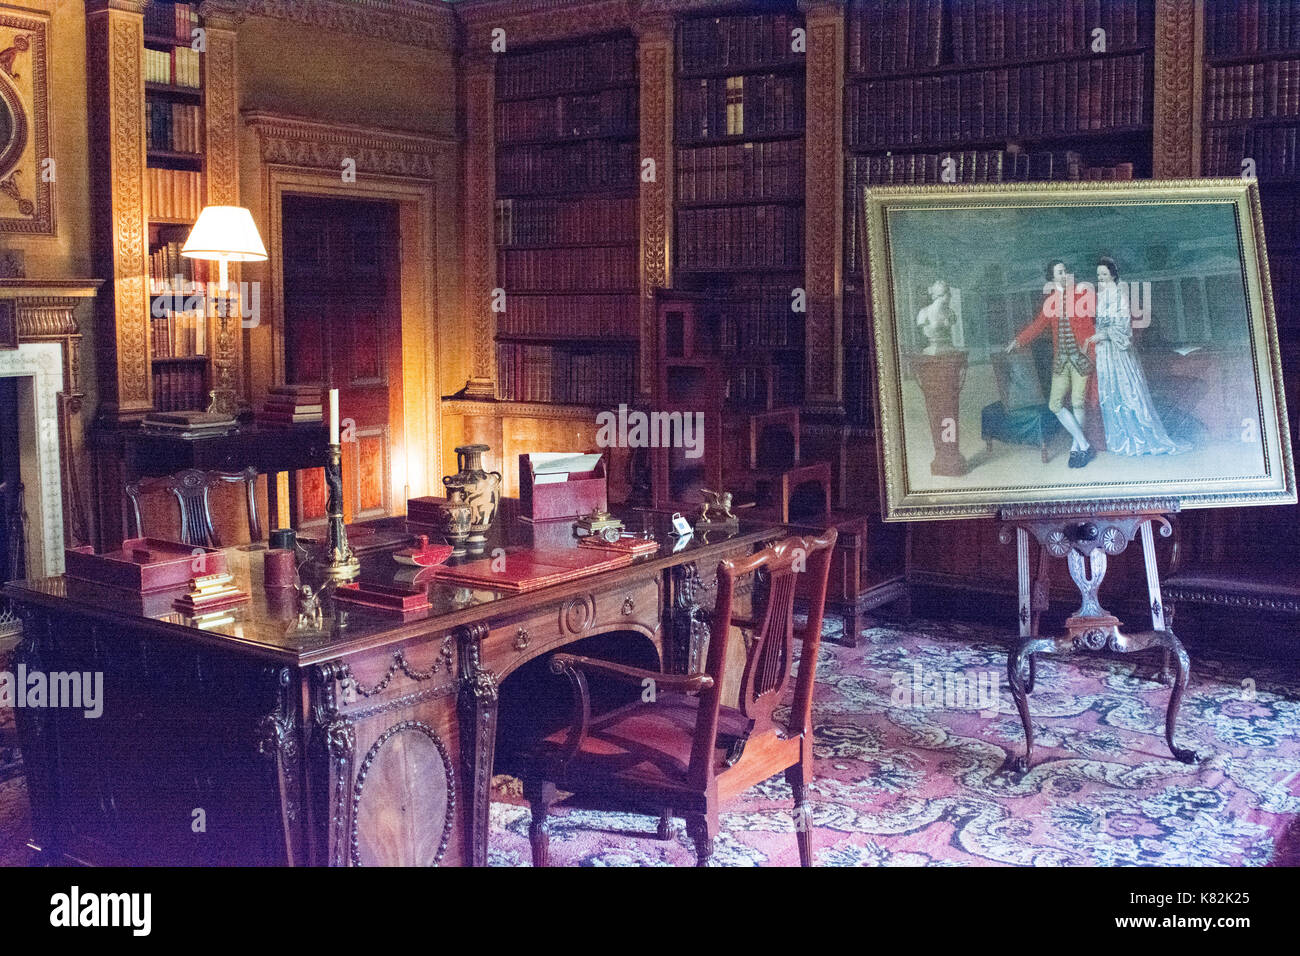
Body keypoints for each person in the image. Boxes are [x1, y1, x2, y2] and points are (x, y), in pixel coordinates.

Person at [1085, 257, 1181, 456]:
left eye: (1104, 274)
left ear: (1112, 274)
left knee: (1129, 393)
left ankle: (1139, 438)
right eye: (1098, 275)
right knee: (1110, 395)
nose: (1101, 278)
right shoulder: (1101, 294)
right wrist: (1096, 334)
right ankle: (1122, 439)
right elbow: (1101, 321)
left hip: (1119, 352)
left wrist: (1102, 334)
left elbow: (1123, 327)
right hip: (1105, 352)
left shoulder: (1120, 293)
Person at [1007, 259, 1097, 468]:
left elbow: (1092, 321)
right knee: (1055, 404)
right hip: (1062, 360)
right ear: (1052, 277)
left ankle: (1076, 448)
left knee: (1078, 403)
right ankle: (1084, 445)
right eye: (1059, 272)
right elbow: (1038, 325)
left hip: (1081, 358)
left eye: (1065, 271)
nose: (1064, 275)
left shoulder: (1080, 294)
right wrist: (1018, 340)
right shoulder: (1050, 301)